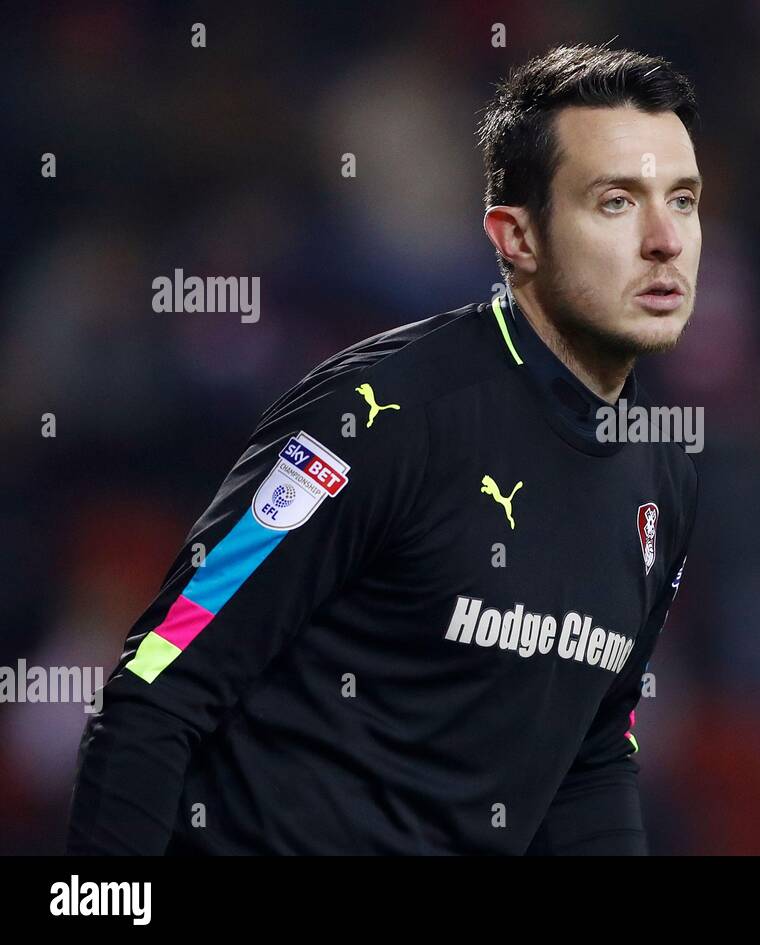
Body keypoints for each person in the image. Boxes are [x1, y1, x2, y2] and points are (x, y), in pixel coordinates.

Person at [66, 43, 702, 855]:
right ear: (517, 237)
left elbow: (592, 755)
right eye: (615, 202)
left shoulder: (662, 479)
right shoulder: (374, 416)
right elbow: (163, 675)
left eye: (682, 200)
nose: (664, 240)